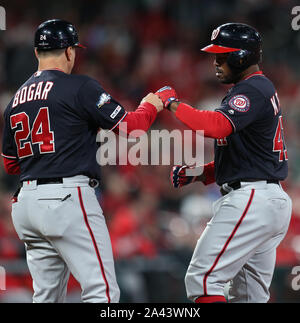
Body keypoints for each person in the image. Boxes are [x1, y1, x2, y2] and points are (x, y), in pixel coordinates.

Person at [1, 19, 163, 303]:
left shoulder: (15, 99)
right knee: (103, 292)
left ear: (37, 53)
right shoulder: (79, 86)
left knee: (47, 297)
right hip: (67, 198)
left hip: (27, 204)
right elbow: (132, 127)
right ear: (69, 52)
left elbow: (11, 164)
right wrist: (152, 104)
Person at [155, 23, 292, 303]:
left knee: (202, 281)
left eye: (222, 55)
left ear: (241, 56)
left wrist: (172, 104)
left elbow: (217, 127)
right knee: (247, 297)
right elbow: (247, 157)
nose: (215, 62)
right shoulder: (255, 89)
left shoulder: (253, 87)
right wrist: (199, 174)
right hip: (266, 199)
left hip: (252, 200)